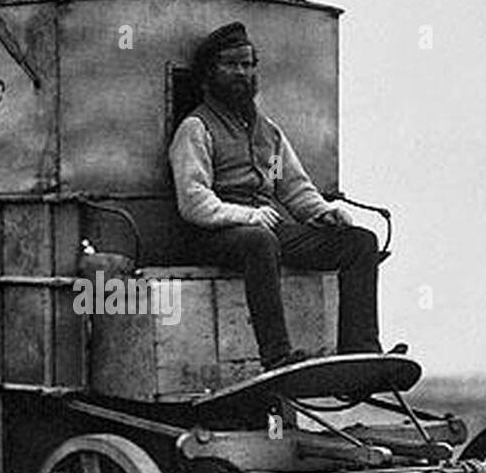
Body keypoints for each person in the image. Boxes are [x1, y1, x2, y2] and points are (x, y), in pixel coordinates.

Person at [168, 20, 401, 372]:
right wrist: (245, 216)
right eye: (231, 65)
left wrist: (322, 212)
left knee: (359, 243)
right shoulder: (196, 129)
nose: (241, 73)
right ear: (209, 74)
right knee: (260, 242)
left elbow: (289, 185)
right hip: (212, 236)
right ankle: (277, 357)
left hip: (264, 231)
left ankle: (360, 350)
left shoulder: (267, 132)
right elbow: (193, 199)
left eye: (247, 65)